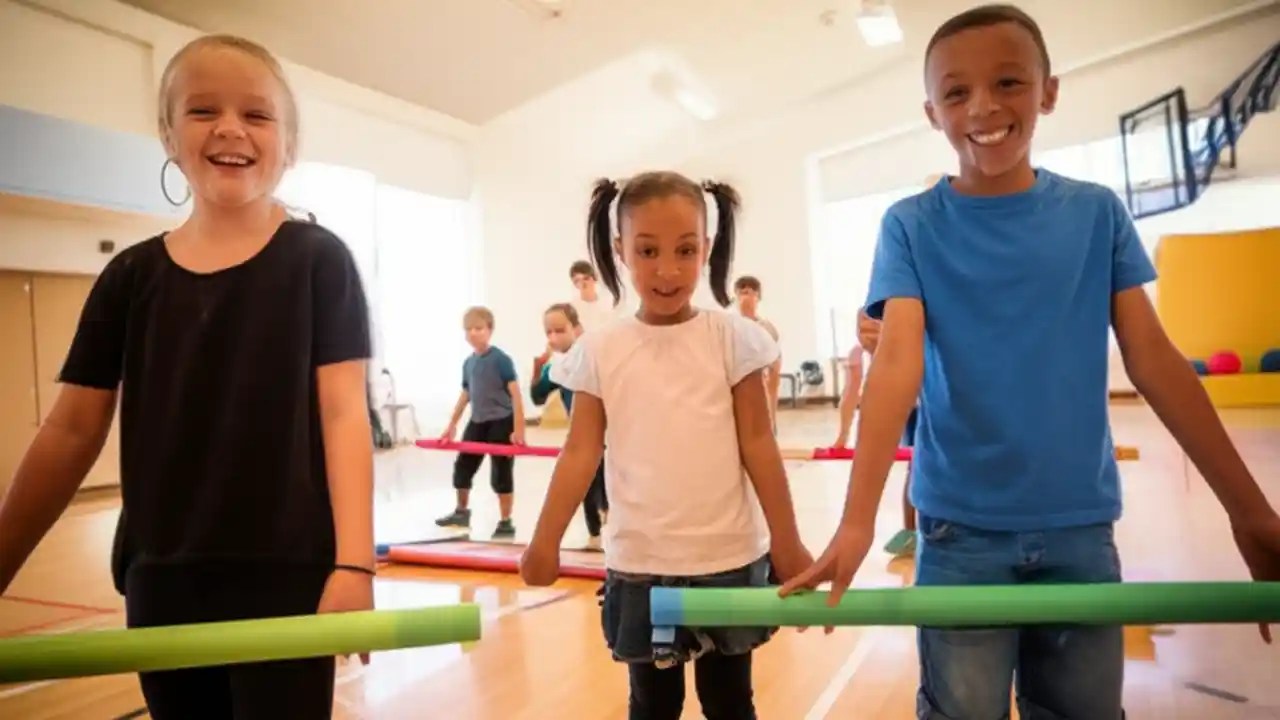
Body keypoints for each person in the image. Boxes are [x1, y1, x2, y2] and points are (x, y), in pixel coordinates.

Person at [782, 6, 1280, 720]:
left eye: (1008, 82)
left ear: (1048, 92)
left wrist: (1251, 512)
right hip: (959, 534)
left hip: (1080, 527)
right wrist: (857, 524)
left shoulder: (1095, 213)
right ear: (932, 112)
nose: (982, 107)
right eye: (956, 93)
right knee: (963, 711)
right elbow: (897, 367)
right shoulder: (911, 225)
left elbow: (1156, 361)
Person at [0, 34, 375, 718]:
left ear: (289, 145)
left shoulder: (320, 261)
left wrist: (355, 565)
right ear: (168, 136)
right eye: (203, 110)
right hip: (162, 581)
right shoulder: (129, 278)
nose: (230, 127)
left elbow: (344, 412)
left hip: (285, 581)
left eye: (257, 115)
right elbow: (71, 428)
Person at [520, 172, 812, 719]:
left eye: (684, 250)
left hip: (727, 556)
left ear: (706, 248)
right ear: (620, 252)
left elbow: (759, 444)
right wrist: (544, 541)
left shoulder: (732, 338)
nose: (667, 270)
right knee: (653, 704)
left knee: (729, 701)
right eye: (647, 251)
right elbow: (580, 453)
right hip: (642, 562)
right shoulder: (602, 349)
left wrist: (788, 544)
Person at [834, 308, 917, 557]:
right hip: (905, 409)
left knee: (918, 467)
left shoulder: (914, 333)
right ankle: (911, 531)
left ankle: (915, 530)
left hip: (924, 405)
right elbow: (851, 393)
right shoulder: (858, 352)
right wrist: (843, 434)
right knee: (914, 468)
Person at [437, 307, 526, 539]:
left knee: (501, 473)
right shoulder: (468, 363)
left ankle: (506, 521)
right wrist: (452, 424)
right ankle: (461, 511)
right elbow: (466, 394)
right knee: (463, 468)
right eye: (468, 330)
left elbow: (516, 395)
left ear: (490, 330)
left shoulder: (501, 360)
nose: (473, 333)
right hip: (478, 422)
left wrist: (519, 429)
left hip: (501, 422)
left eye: (479, 328)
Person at [530, 303, 608, 550]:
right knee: (584, 484)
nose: (553, 337)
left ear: (577, 328)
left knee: (605, 484)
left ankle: (608, 526)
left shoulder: (592, 354)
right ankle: (595, 535)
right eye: (548, 332)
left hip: (609, 436)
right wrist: (539, 365)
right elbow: (537, 396)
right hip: (581, 438)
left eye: (560, 330)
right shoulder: (558, 366)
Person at [733, 276, 783, 427]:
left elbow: (775, 362)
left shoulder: (767, 328)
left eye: (750, 292)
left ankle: (770, 424)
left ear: (757, 297)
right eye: (742, 293)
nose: (746, 297)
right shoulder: (729, 325)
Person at [569, 259, 616, 332]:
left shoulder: (607, 302)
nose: (583, 283)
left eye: (586, 278)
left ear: (595, 278)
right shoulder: (572, 308)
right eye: (577, 280)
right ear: (574, 284)